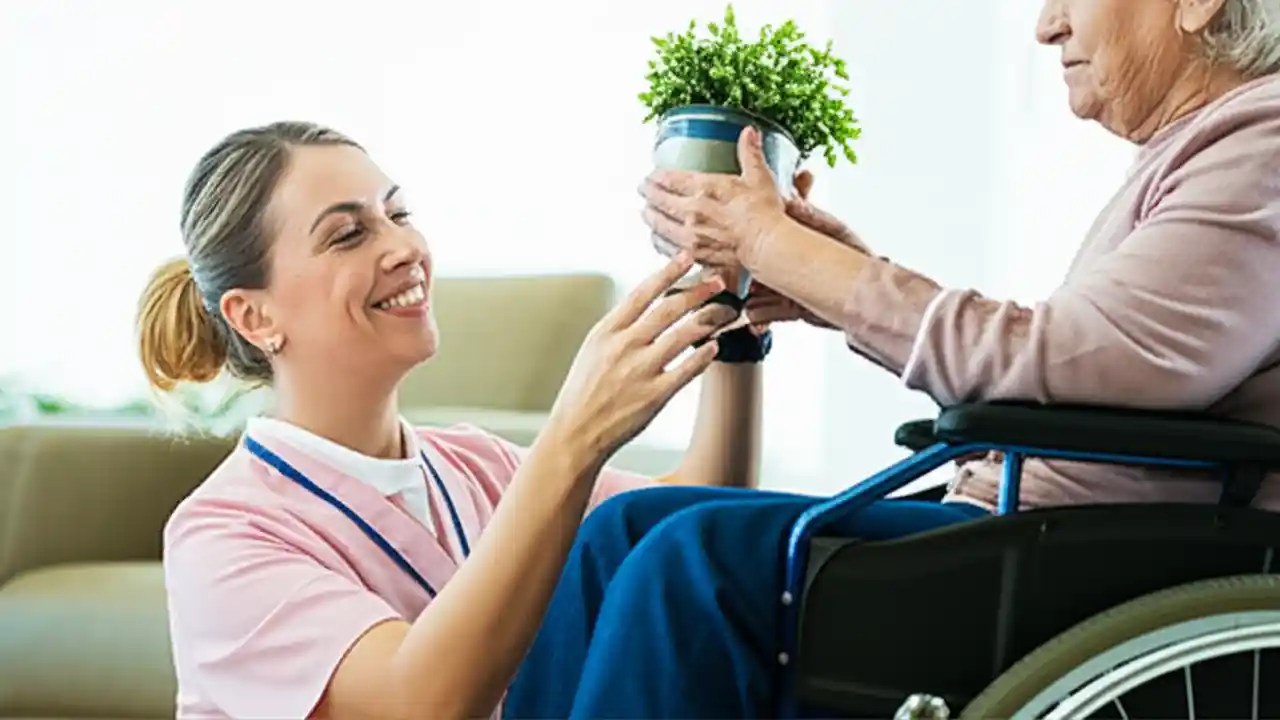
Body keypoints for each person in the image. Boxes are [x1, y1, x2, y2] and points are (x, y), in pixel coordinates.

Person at [505, 0, 1280, 717]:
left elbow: (1078, 360)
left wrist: (774, 244)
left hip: (1099, 556)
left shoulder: (1261, 146)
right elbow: (1074, 352)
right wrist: (831, 281)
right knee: (621, 530)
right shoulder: (1209, 146)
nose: (1048, 25)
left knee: (689, 562)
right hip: (1052, 534)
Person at [141, 121, 784, 718]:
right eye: (348, 234)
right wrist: (573, 436)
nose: (403, 247)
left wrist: (735, 316)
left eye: (398, 214)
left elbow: (694, 521)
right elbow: (422, 702)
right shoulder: (222, 538)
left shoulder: (473, 465)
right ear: (255, 318)